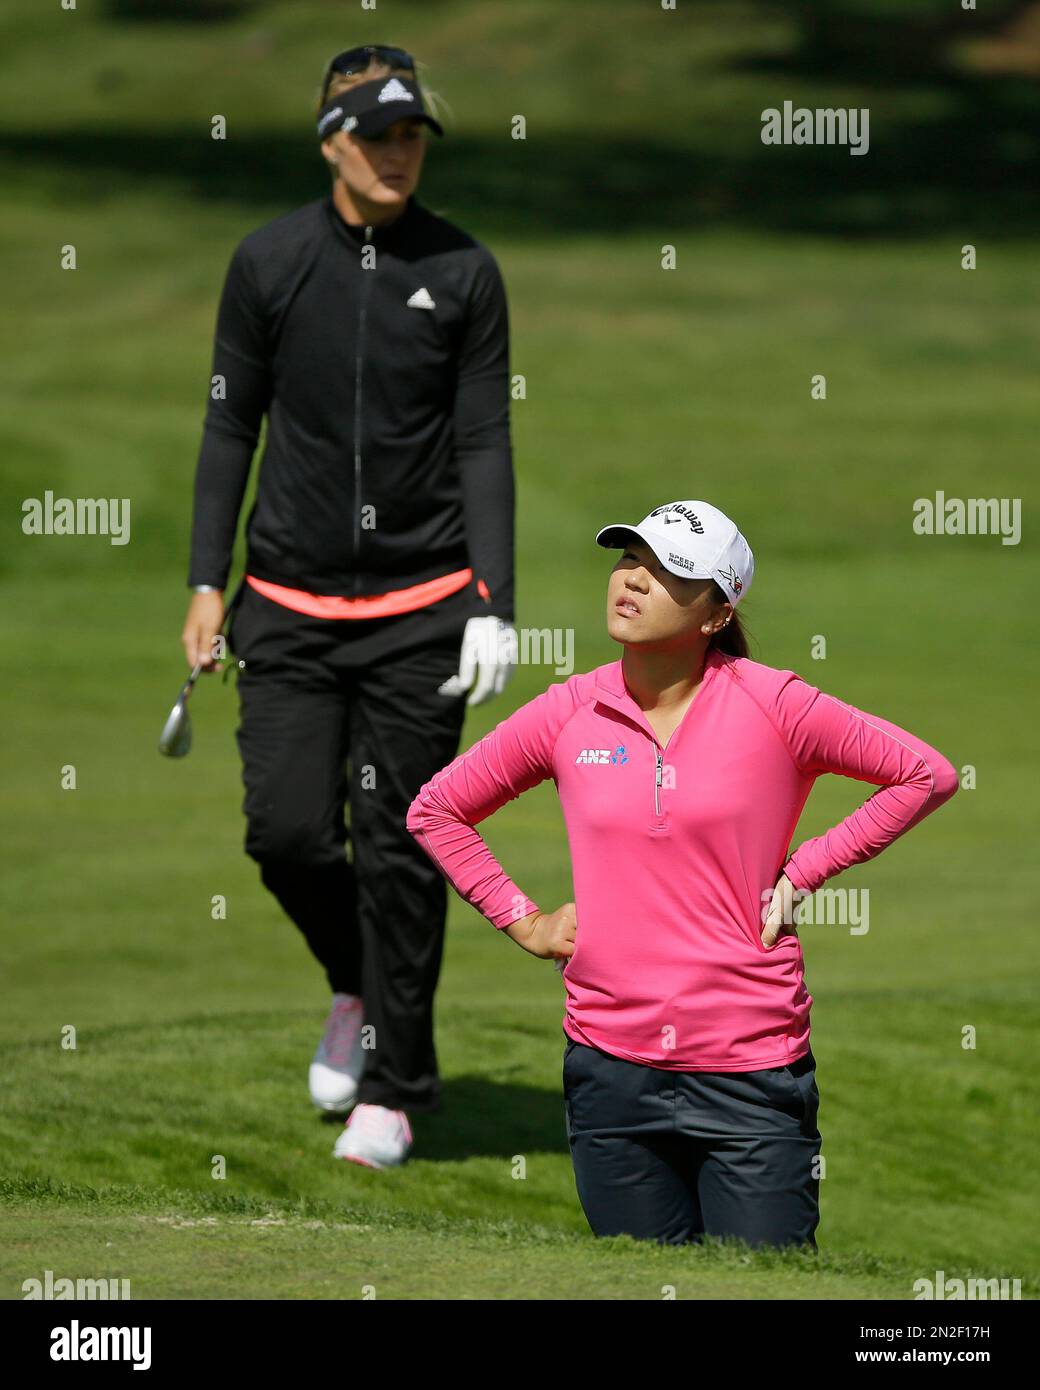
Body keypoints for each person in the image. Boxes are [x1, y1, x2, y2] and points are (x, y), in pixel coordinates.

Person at [406, 499, 960, 1247]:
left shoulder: (776, 705)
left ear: (714, 613)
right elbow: (436, 809)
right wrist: (524, 920)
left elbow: (924, 775)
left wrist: (807, 870)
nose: (632, 580)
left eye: (668, 572)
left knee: (761, 1292)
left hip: (751, 1070)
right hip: (609, 1070)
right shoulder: (570, 710)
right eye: (629, 559)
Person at [181, 43, 519, 1170]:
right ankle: (354, 984)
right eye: (375, 136)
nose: (395, 154)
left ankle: (393, 1085)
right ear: (330, 141)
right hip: (283, 600)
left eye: (411, 134)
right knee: (282, 832)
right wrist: (202, 580)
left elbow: (482, 438)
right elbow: (232, 424)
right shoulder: (268, 262)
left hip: (424, 606)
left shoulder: (463, 271)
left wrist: (492, 599)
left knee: (402, 845)